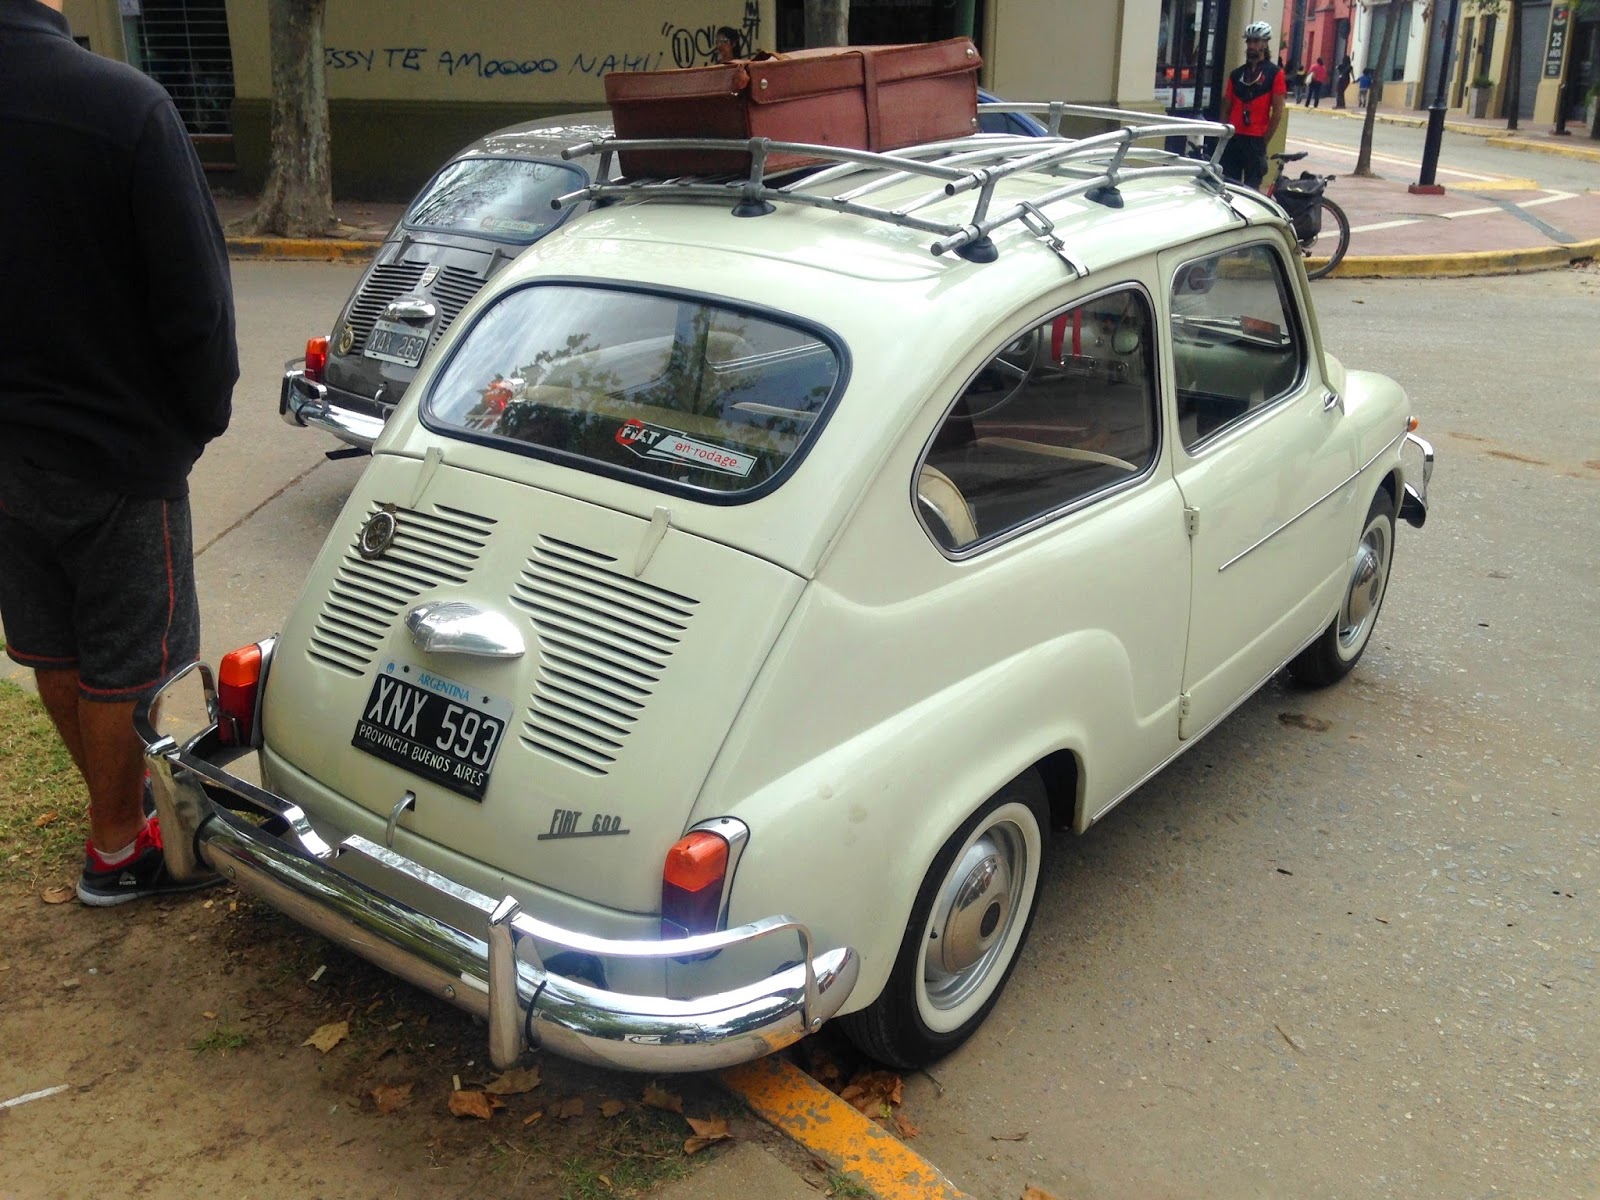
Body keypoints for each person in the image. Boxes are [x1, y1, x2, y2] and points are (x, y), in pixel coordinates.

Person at [0, 0, 238, 905]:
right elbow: (196, 301)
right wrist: (195, 422)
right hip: (114, 450)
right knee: (133, 659)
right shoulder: (123, 105)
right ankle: (117, 847)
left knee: (56, 643)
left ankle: (119, 812)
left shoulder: (122, 104)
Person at [1221, 21, 1287, 193]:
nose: (1251, 46)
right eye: (1249, 41)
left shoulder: (1275, 74)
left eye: (1256, 41)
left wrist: (1264, 142)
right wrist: (1224, 135)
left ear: (1265, 44)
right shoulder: (1236, 74)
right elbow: (1226, 108)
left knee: (1251, 191)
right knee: (1228, 187)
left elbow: (1277, 112)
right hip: (1234, 138)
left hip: (1256, 140)